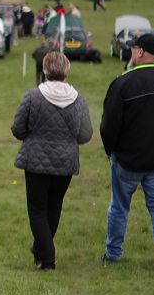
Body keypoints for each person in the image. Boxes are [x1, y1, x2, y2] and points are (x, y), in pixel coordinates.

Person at [99, 33, 154, 270]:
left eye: (132, 49)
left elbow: (109, 125)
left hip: (127, 160)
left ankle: (113, 253)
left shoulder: (123, 82)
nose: (130, 53)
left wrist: (112, 150)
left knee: (119, 207)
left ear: (139, 52)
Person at [11, 51, 94, 270]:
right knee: (54, 206)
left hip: (36, 160)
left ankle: (47, 259)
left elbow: (17, 129)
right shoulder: (78, 99)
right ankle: (41, 250)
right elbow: (85, 135)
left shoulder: (33, 96)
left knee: (37, 209)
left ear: (45, 70)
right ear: (67, 71)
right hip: (65, 162)